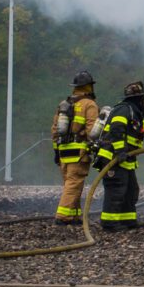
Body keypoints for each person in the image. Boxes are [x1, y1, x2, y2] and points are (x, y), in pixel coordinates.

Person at [93, 81, 144, 231]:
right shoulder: (123, 110)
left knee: (131, 190)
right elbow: (117, 129)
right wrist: (120, 150)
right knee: (116, 190)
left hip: (125, 160)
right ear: (139, 99)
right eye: (143, 98)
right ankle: (109, 223)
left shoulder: (134, 115)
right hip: (113, 158)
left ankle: (128, 220)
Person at [51, 70, 98, 225]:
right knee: (74, 183)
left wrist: (56, 152)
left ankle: (74, 215)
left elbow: (54, 130)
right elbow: (93, 132)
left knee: (70, 183)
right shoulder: (89, 104)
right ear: (88, 87)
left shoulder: (64, 105)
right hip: (78, 152)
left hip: (63, 151)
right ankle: (62, 216)